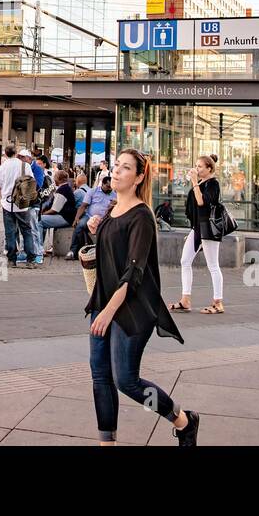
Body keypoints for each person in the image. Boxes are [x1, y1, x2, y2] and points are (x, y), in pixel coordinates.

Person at [85, 148, 199, 447]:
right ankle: (106, 443)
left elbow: (133, 271)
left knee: (127, 381)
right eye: (116, 166)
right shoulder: (111, 209)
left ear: (138, 177)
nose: (117, 171)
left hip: (132, 310)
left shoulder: (142, 215)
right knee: (100, 377)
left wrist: (109, 312)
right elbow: (112, 255)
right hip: (104, 303)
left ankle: (183, 420)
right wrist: (96, 229)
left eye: (125, 168)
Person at [171, 153, 226, 314]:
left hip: (209, 230)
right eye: (196, 166)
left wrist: (195, 182)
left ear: (209, 169)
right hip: (197, 228)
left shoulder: (213, 184)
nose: (196, 169)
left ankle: (218, 302)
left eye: (200, 166)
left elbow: (202, 202)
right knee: (185, 261)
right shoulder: (201, 183)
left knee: (213, 265)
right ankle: (185, 299)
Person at [0, 145, 40, 267]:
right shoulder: (25, 166)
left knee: (10, 232)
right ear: (16, 153)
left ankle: (11, 259)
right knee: (26, 231)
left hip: (7, 204)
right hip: (22, 204)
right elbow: (32, 182)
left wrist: (1, 199)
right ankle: (31, 259)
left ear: (5, 154)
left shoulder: (1, 168)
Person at [69, 174, 115, 258]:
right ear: (103, 184)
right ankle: (73, 251)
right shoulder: (93, 191)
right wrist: (76, 218)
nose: (110, 189)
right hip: (89, 216)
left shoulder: (114, 194)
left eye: (111, 187)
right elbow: (83, 206)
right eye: (108, 187)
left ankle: (102, 252)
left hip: (105, 218)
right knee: (80, 226)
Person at [38, 169, 79, 256]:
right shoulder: (66, 188)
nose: (54, 180)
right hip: (67, 217)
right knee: (43, 223)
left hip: (65, 218)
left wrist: (43, 214)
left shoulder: (62, 191)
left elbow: (55, 210)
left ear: (59, 179)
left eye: (55, 178)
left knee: (39, 220)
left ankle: (39, 249)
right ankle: (40, 247)